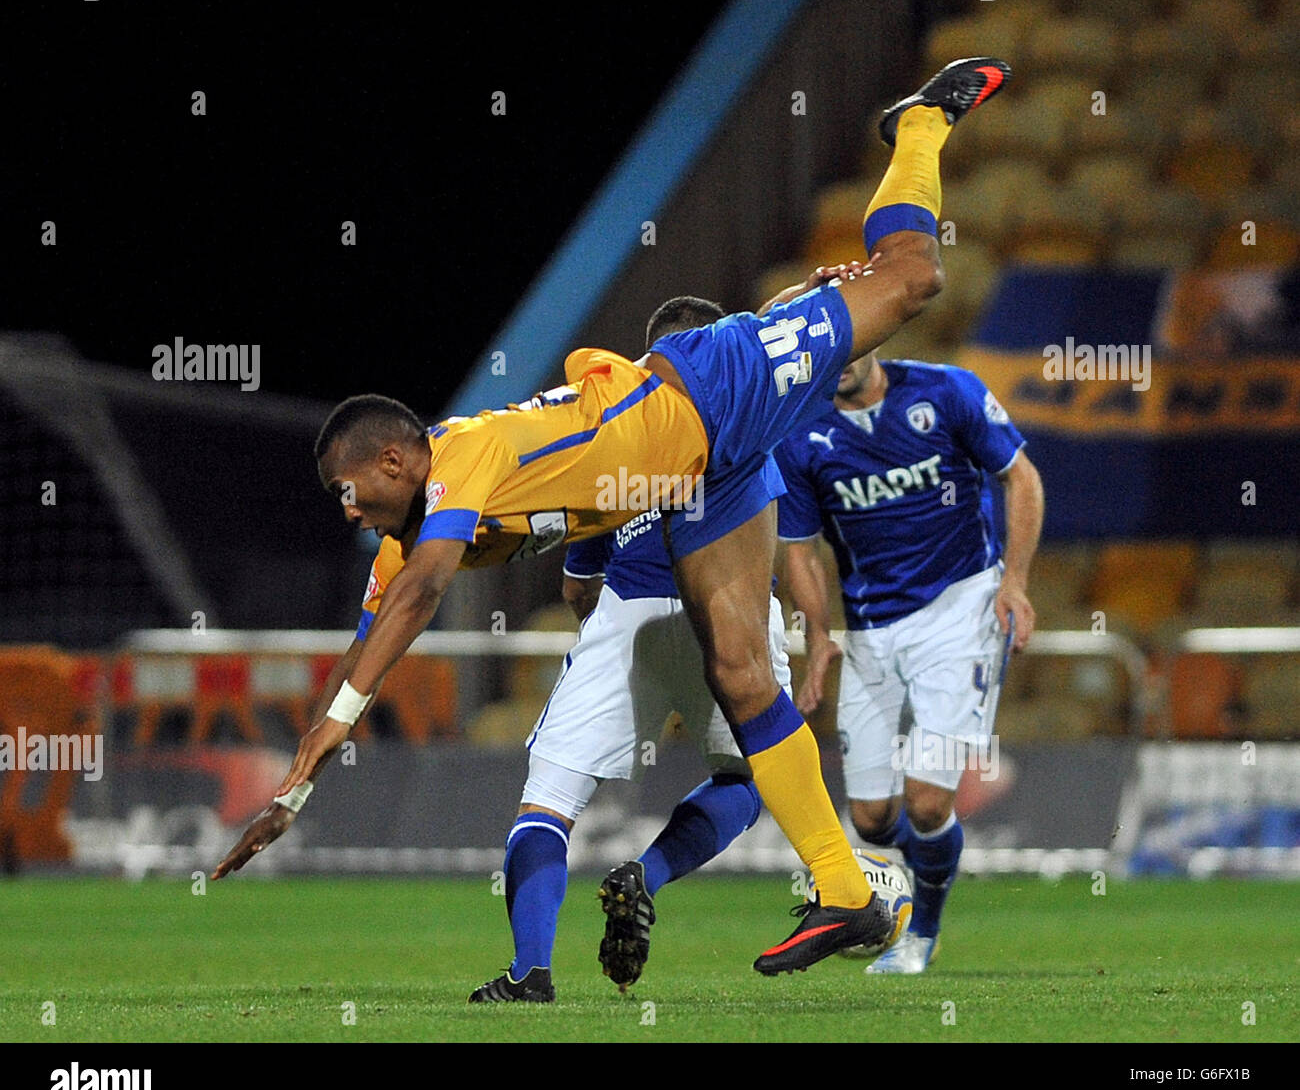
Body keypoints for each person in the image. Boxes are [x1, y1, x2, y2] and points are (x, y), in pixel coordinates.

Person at [212, 57, 1011, 975]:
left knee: (912, 279)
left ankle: (917, 126)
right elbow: (373, 637)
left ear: (396, 460)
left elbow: (426, 591)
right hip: (696, 472)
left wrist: (336, 722)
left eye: (351, 489)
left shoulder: (461, 461)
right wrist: (298, 789)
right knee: (742, 672)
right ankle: (842, 889)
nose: (347, 509)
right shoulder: (406, 540)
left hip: (711, 385)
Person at [470, 295, 792, 1004]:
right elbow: (785, 542)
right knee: (747, 781)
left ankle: (531, 972)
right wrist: (811, 631)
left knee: (547, 805)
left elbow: (577, 584)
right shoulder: (755, 420)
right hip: (737, 610)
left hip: (633, 608)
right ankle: (645, 874)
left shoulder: (614, 431)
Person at [777, 346, 1043, 973]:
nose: (839, 361)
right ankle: (932, 862)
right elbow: (799, 551)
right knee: (870, 820)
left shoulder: (947, 391)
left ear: (878, 335)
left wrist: (1016, 583)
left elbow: (1021, 477)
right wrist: (818, 638)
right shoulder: (802, 434)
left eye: (851, 344)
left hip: (963, 610)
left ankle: (920, 931)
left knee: (926, 801)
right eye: (826, 350)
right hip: (871, 629)